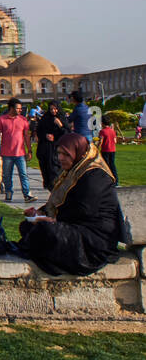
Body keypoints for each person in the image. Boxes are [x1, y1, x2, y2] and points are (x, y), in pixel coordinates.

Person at [18, 134, 123, 276]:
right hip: (77, 225)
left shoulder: (94, 175)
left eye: (65, 154)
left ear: (78, 152)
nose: (60, 158)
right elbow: (63, 202)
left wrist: (52, 220)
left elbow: (84, 210)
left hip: (95, 239)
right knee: (28, 226)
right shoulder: (76, 171)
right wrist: (41, 213)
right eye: (59, 153)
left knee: (46, 231)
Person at [0, 98, 36, 203]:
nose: (20, 110)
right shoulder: (2, 120)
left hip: (20, 153)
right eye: (18, 108)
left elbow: (26, 136)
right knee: (7, 175)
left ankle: (27, 194)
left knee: (23, 174)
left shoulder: (23, 120)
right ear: (11, 108)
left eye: (20, 108)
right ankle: (8, 192)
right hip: (6, 153)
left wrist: (29, 150)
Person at [35, 101, 67, 190]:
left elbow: (66, 133)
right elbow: (39, 131)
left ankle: (56, 187)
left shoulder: (61, 119)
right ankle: (50, 186)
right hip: (45, 148)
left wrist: (60, 125)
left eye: (55, 109)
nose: (53, 111)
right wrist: (45, 135)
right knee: (46, 170)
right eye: (51, 109)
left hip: (56, 149)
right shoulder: (45, 118)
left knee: (55, 170)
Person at [98, 122, 119, 186]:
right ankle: (116, 180)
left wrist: (97, 146)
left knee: (105, 166)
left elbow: (101, 141)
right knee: (112, 165)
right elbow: (115, 141)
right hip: (112, 150)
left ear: (102, 123)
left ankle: (106, 180)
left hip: (105, 150)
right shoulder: (112, 131)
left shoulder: (102, 131)